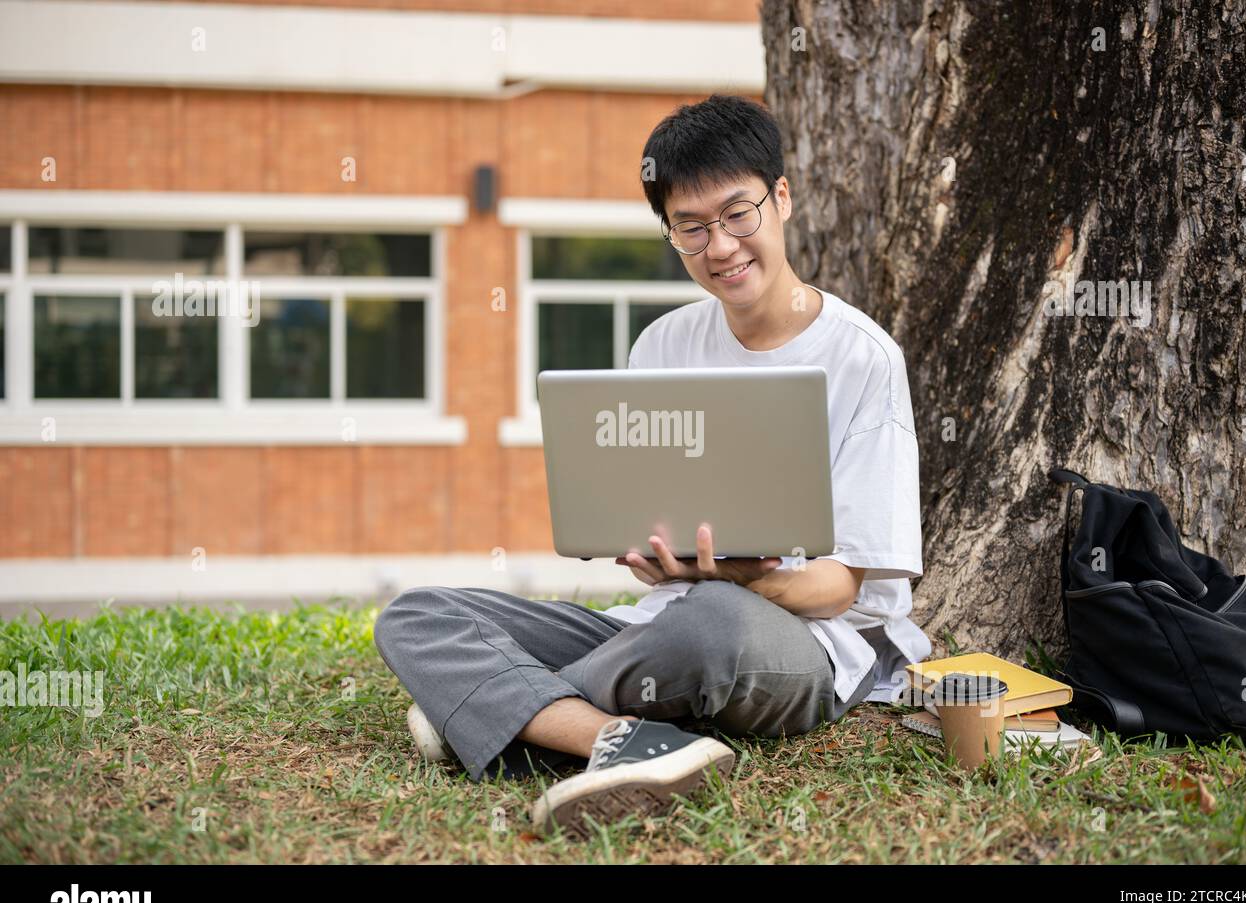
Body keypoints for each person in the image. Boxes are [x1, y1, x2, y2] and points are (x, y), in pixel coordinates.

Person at [372, 93, 929, 838]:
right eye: (691, 228)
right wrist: (656, 557)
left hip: (798, 643)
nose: (721, 246)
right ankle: (616, 739)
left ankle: (497, 706)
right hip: (654, 623)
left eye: (737, 214)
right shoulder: (663, 346)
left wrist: (739, 578)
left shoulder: (863, 358)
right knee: (419, 614)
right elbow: (645, 514)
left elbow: (843, 588)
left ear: (782, 199)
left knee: (714, 623)